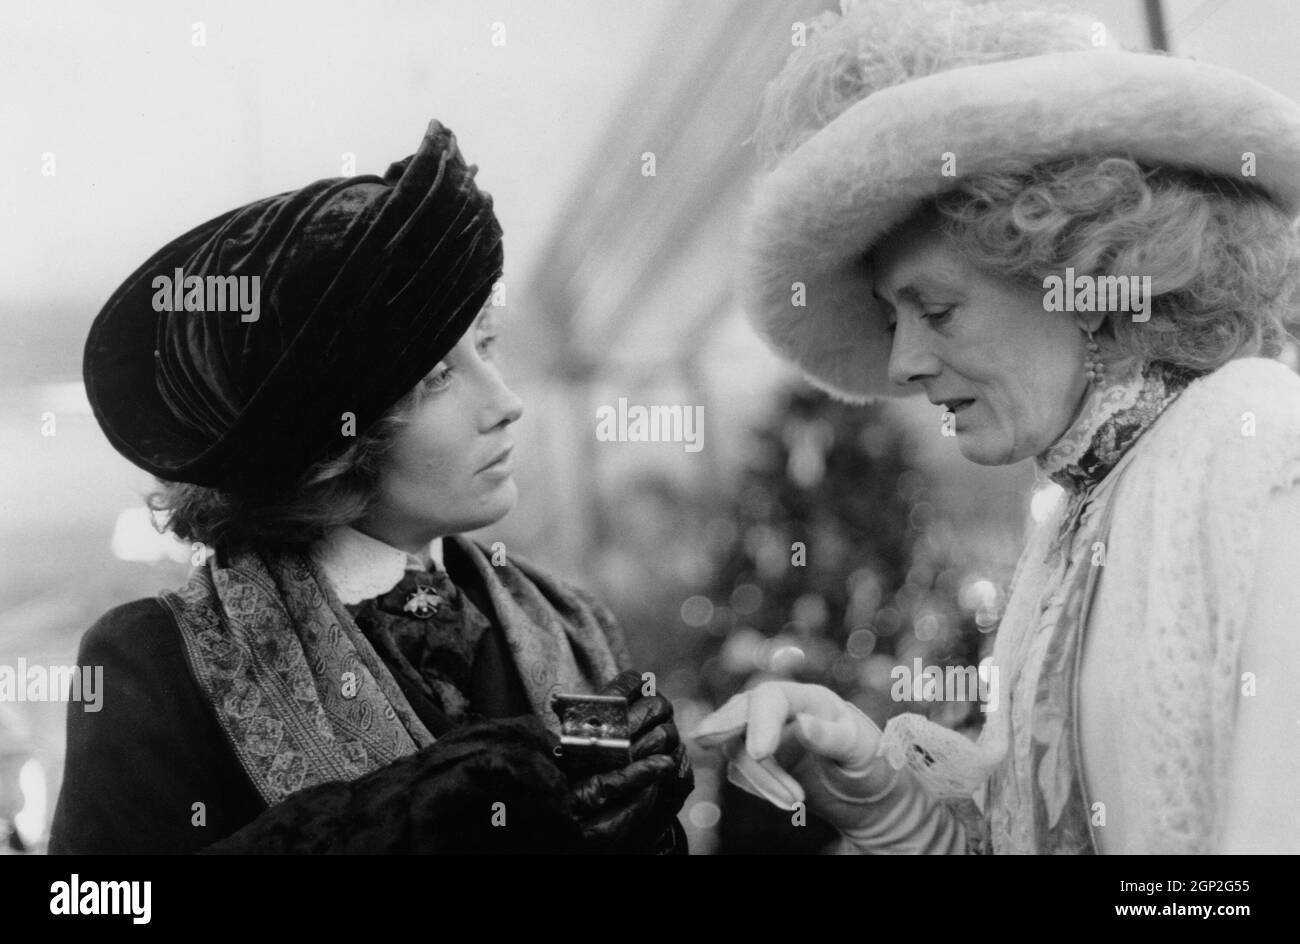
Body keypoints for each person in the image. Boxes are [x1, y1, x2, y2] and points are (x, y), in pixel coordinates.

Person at [695, 0, 1300, 854]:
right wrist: (880, 795)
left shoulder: (1263, 445)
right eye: (889, 319)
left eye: (935, 309)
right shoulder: (1078, 515)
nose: (900, 364)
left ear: (1085, 275)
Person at [51, 120, 692, 854]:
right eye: (440, 376)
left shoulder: (572, 621)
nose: (506, 401)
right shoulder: (157, 656)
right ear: (335, 438)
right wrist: (387, 823)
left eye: (486, 345)